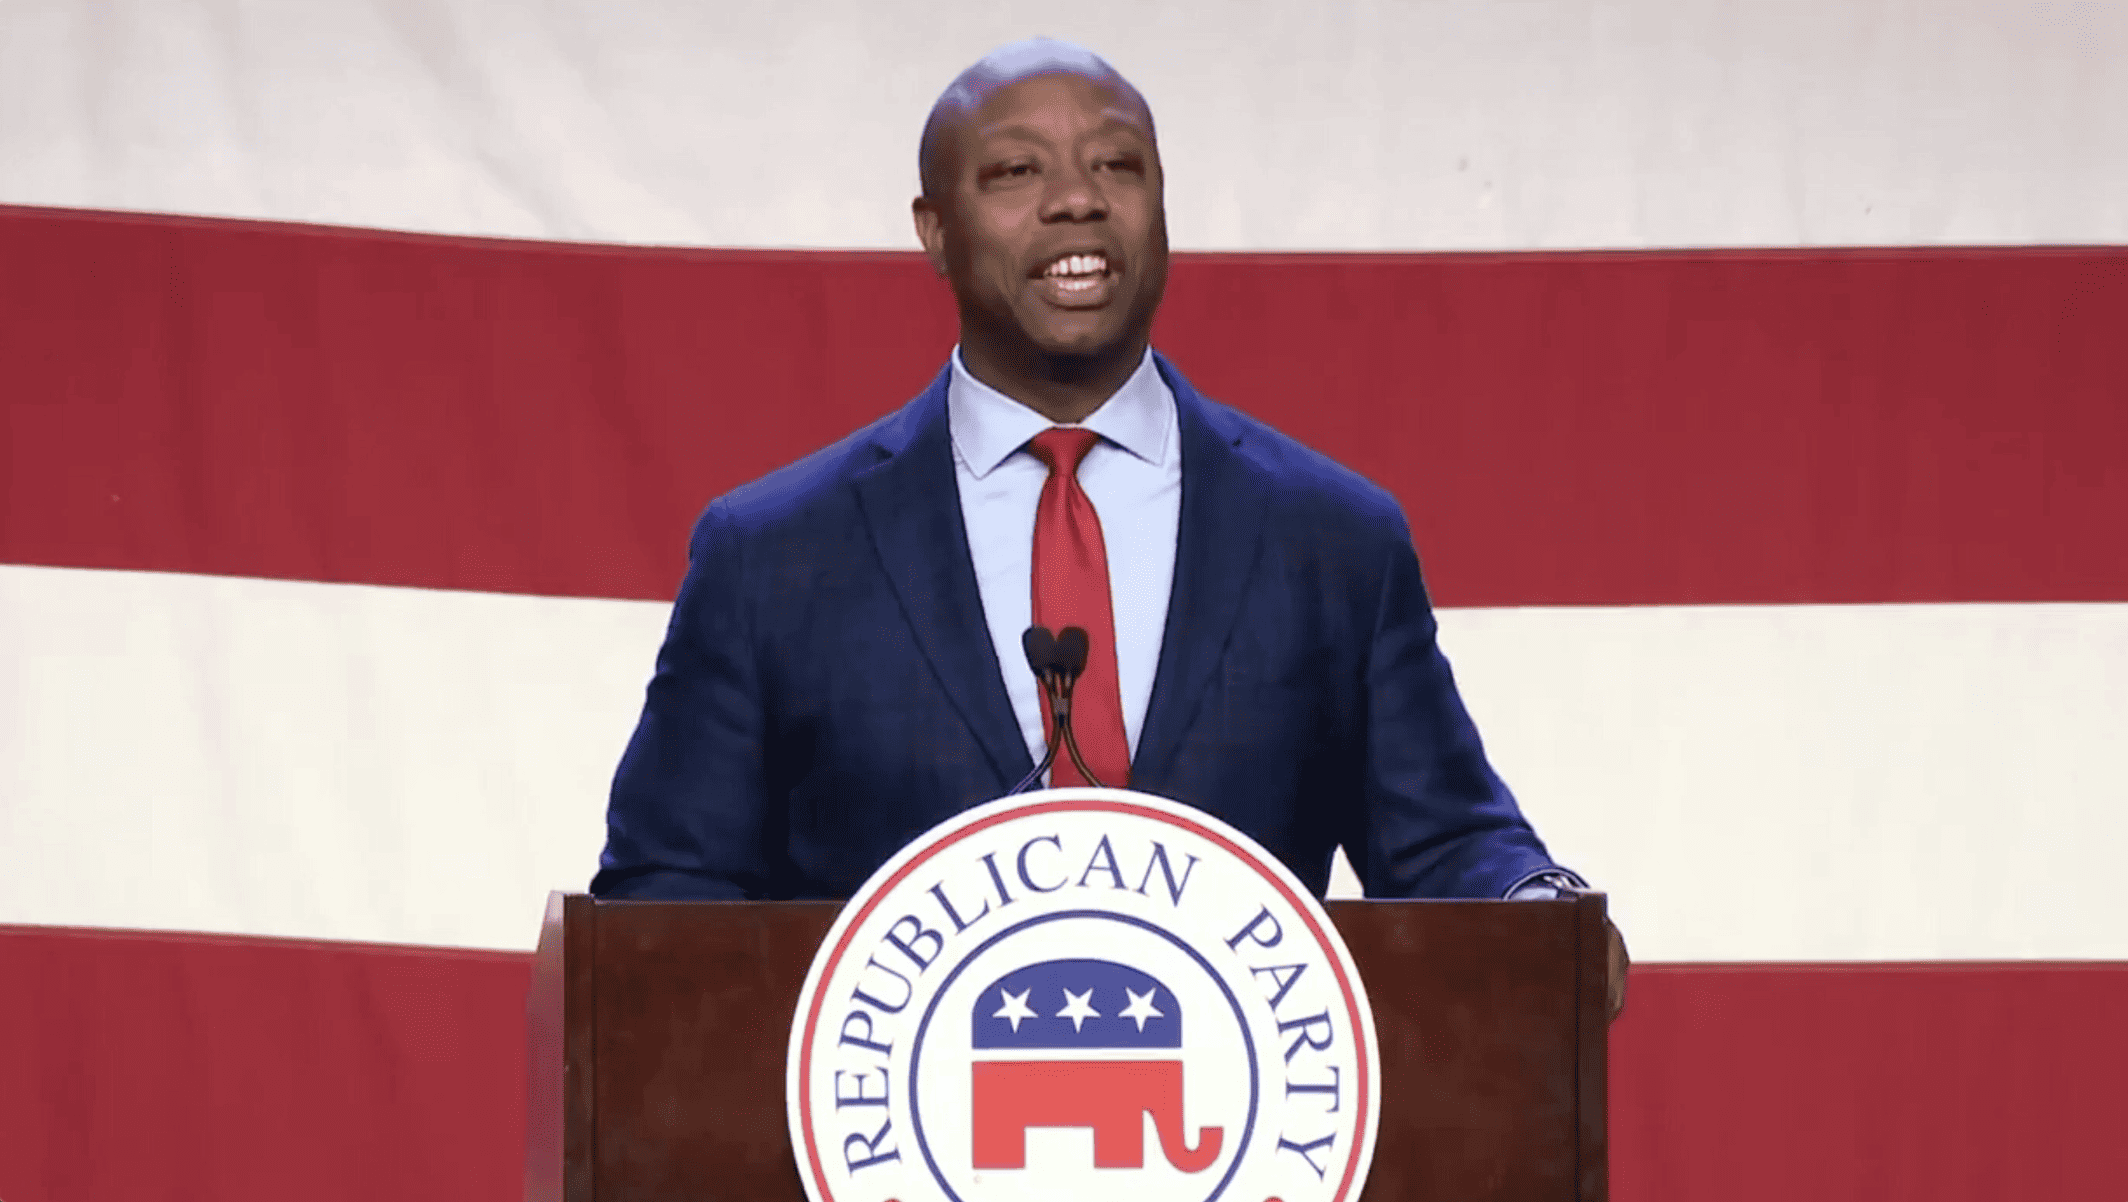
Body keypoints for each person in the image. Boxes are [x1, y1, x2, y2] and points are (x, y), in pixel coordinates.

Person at [592, 38, 1625, 1013]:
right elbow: (666, 898)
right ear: (933, 229)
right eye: (1014, 174)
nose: (1077, 200)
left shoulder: (1329, 536)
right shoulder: (774, 553)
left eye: (1117, 166)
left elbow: (1446, 843)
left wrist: (1533, 911)